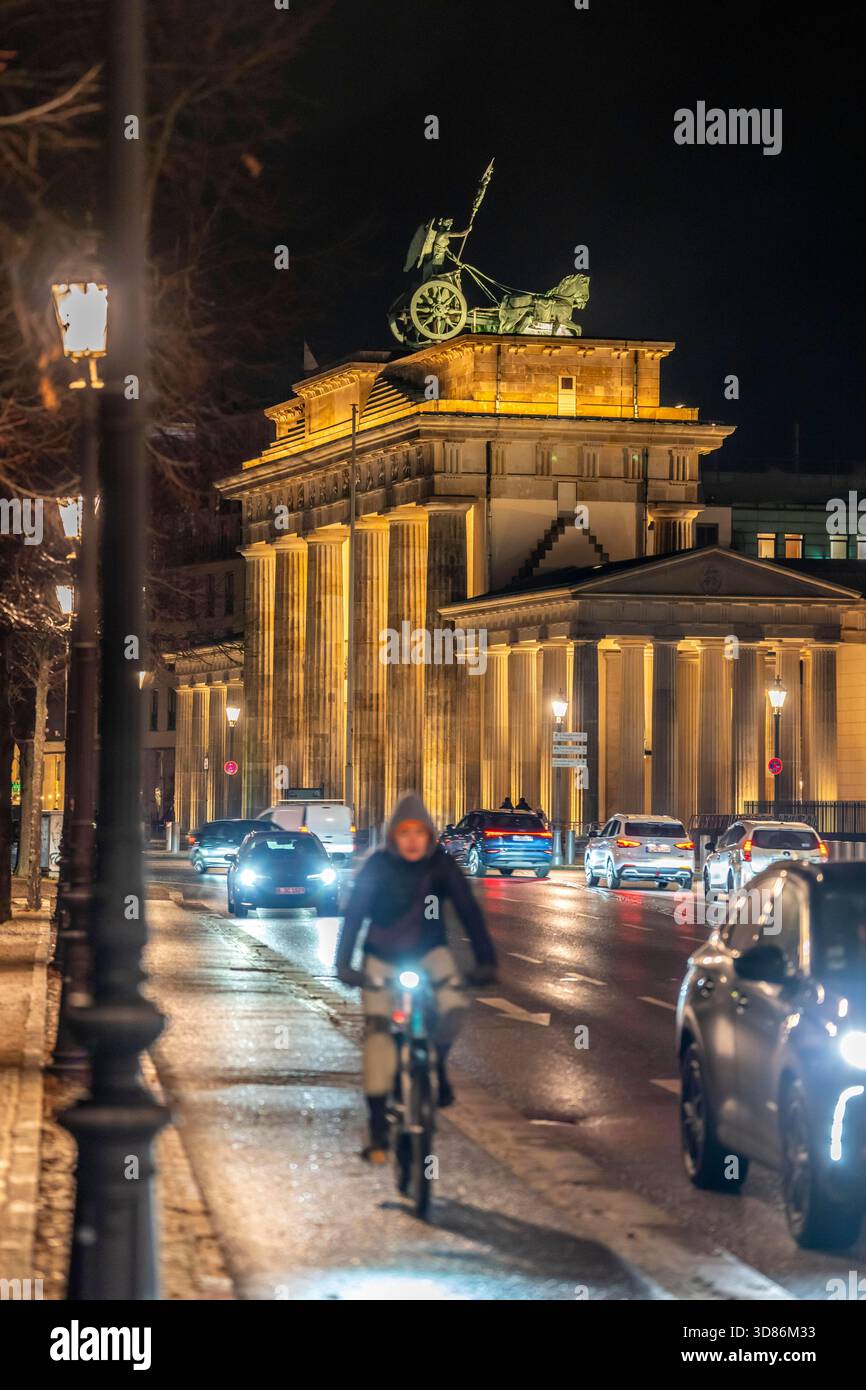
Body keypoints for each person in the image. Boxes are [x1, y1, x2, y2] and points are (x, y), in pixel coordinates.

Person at [335, 791, 497, 1163]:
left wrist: (486, 961)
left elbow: (469, 910)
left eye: (419, 833)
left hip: (429, 953)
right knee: (378, 1038)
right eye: (404, 833)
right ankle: (378, 1129)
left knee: (454, 1002)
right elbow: (355, 916)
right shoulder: (378, 867)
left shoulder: (440, 866)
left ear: (428, 836)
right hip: (381, 958)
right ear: (395, 836)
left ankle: (436, 1063)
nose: (412, 840)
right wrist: (345, 965)